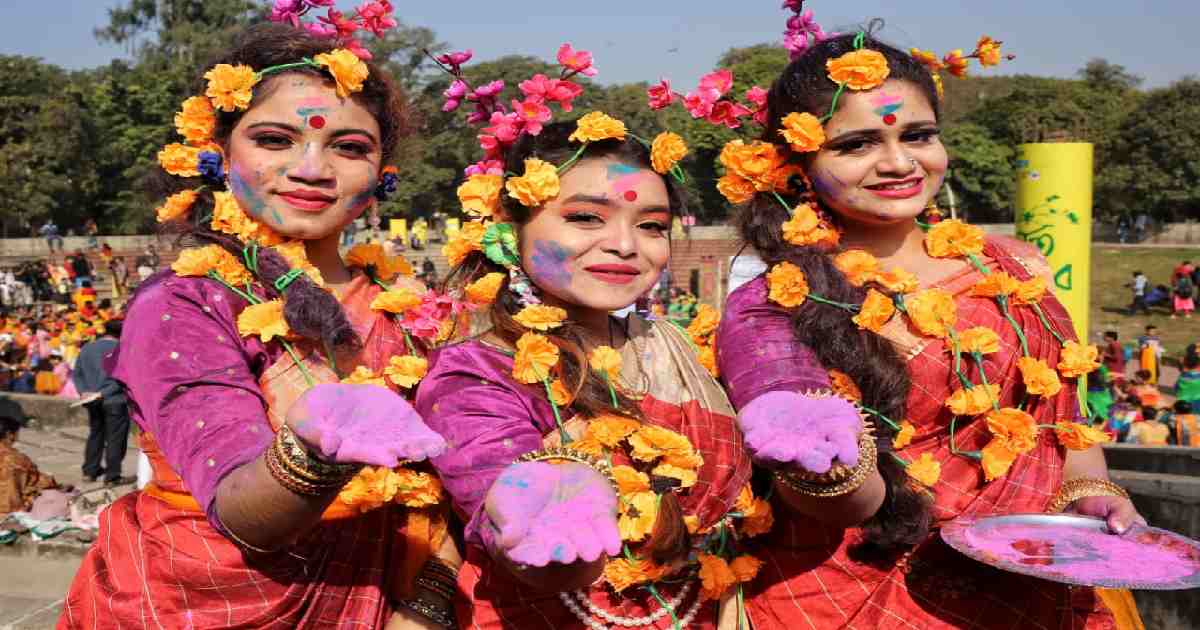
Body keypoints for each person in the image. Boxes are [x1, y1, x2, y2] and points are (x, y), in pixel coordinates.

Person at [715, 28, 1140, 628]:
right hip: (848, 595)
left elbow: (1064, 432)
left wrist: (1093, 497)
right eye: (858, 144)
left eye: (917, 135)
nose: (898, 162)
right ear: (799, 164)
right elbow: (820, 494)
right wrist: (829, 462)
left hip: (1027, 585)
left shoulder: (1011, 269)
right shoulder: (773, 305)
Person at [61, 20, 460, 629]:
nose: (312, 168)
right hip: (191, 603)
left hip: (381, 603)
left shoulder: (414, 305)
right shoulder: (186, 302)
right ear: (220, 155)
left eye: (350, 148)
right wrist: (318, 449)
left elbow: (459, 484)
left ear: (383, 174)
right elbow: (243, 511)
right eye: (275, 139)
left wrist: (429, 599)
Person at [416, 117, 765, 628]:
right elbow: (509, 509)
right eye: (585, 217)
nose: (625, 245)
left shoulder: (674, 345)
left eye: (650, 225)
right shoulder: (479, 374)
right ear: (510, 231)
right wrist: (544, 518)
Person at [71, 319, 133, 486]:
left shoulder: (87, 348)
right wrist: (102, 393)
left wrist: (84, 391)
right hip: (114, 399)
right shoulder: (121, 350)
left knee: (95, 434)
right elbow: (122, 378)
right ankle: (112, 475)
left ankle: (90, 471)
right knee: (115, 438)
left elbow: (77, 374)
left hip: (91, 399)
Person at [0, 410, 62, 516]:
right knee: (58, 499)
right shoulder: (16, 459)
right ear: (9, 435)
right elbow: (39, 480)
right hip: (10, 508)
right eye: (17, 433)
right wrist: (55, 484)